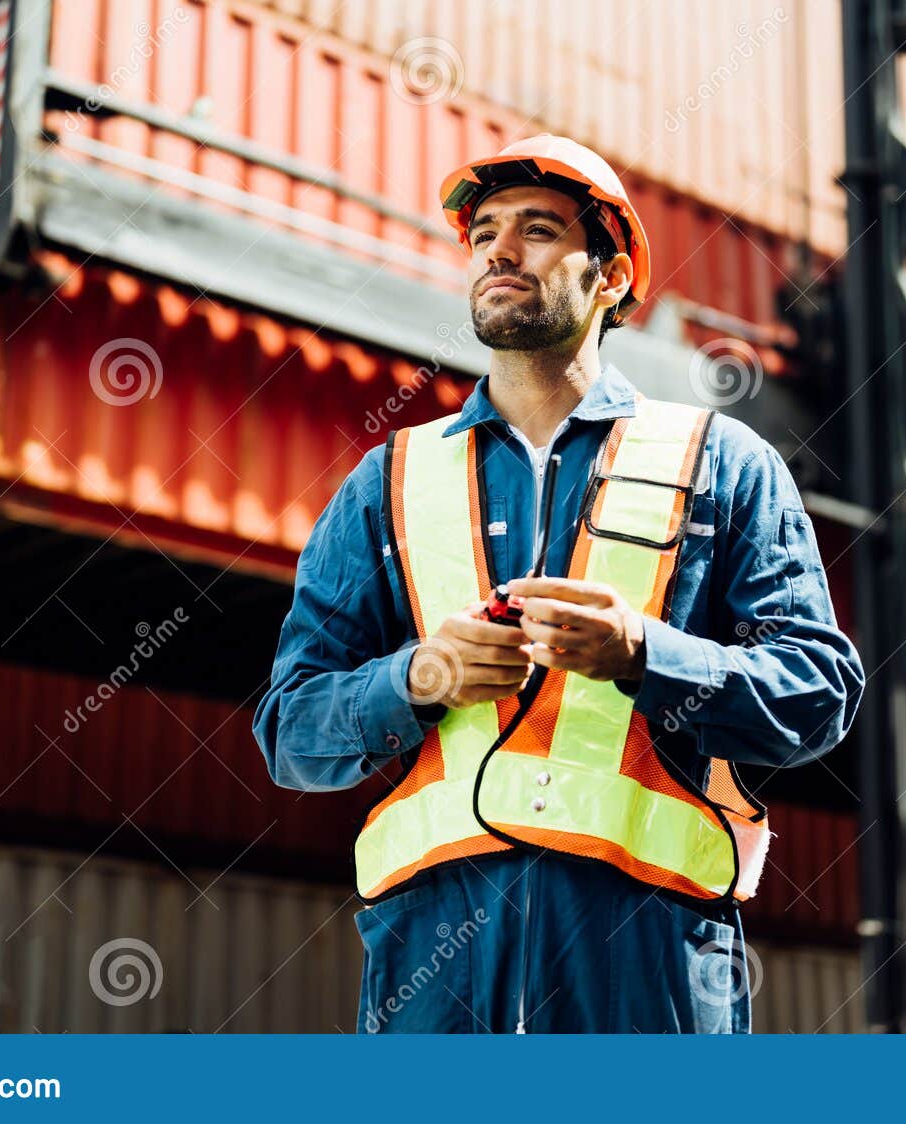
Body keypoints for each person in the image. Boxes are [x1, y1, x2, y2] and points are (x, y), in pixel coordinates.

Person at [252, 134, 864, 1033]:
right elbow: (289, 733)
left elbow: (819, 695)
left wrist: (645, 655)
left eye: (538, 230)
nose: (499, 251)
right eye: (484, 233)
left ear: (612, 277)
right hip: (433, 986)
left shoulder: (722, 464)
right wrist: (419, 678)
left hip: (647, 982)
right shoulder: (388, 483)